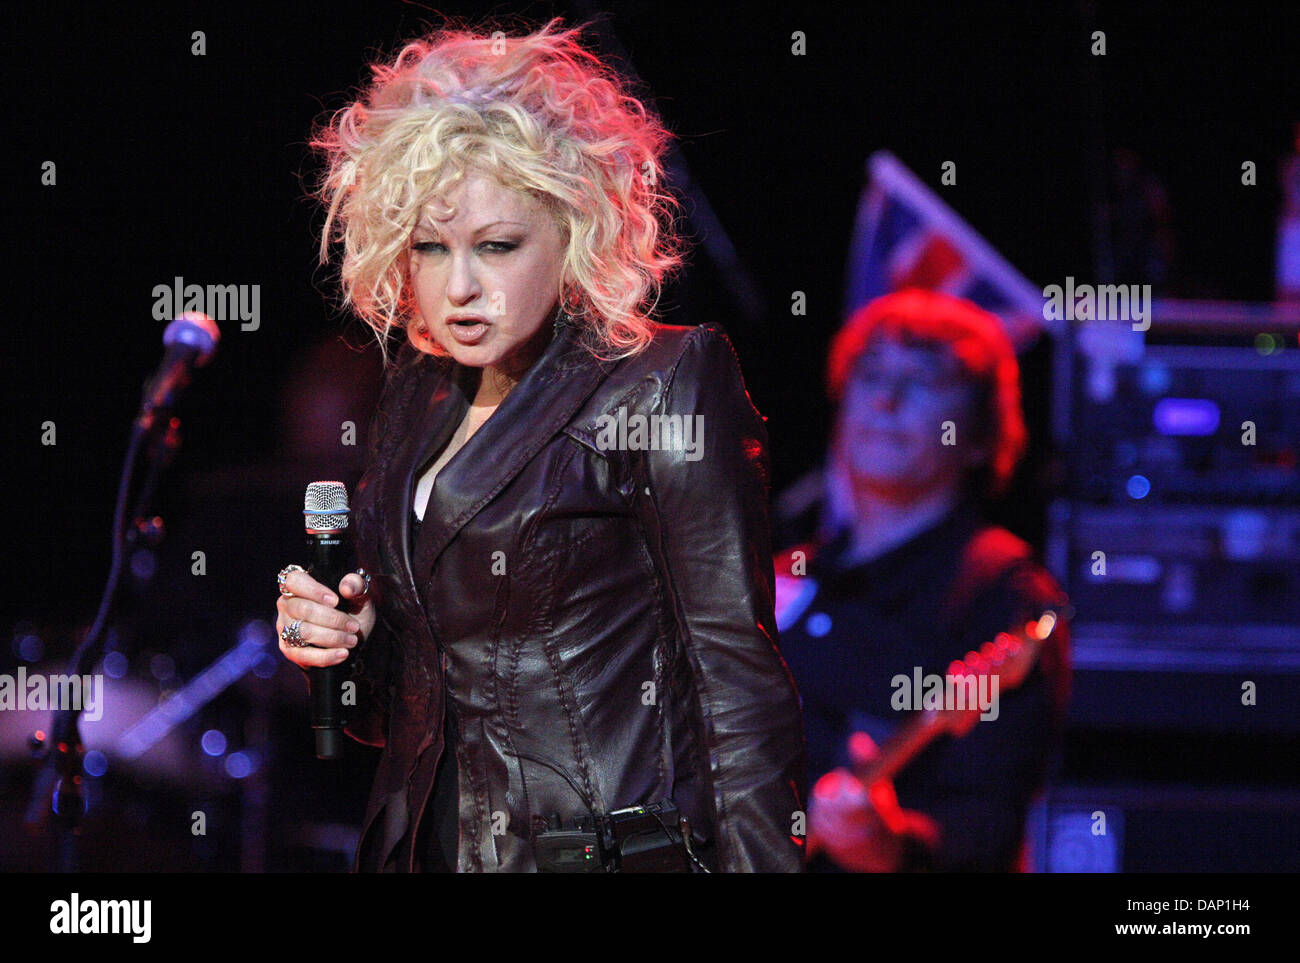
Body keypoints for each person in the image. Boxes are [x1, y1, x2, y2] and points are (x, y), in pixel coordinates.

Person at [273, 18, 805, 873]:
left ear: (574, 226)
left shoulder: (662, 379)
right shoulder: (416, 396)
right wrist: (346, 642)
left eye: (497, 246)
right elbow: (406, 716)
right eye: (429, 248)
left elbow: (736, 684)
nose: (461, 287)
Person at [774, 288, 1070, 872]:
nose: (886, 399)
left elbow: (986, 831)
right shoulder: (782, 573)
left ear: (981, 433)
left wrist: (888, 846)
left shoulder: (1005, 597)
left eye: (926, 381)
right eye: (871, 374)